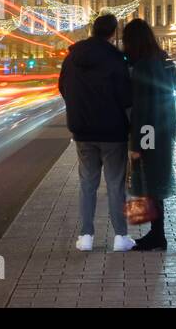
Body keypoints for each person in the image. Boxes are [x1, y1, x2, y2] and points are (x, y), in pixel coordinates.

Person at [57, 13, 135, 252]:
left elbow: (63, 88)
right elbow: (126, 97)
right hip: (113, 132)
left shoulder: (72, 58)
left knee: (87, 184)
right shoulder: (116, 59)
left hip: (83, 131)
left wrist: (79, 109)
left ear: (92, 30)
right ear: (113, 32)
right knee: (115, 185)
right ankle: (120, 236)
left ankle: (86, 236)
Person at [121, 18, 176, 251]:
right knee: (155, 181)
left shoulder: (143, 66)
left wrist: (138, 145)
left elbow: (143, 107)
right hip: (164, 129)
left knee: (148, 180)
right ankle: (156, 233)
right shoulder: (164, 60)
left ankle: (157, 235)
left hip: (149, 131)